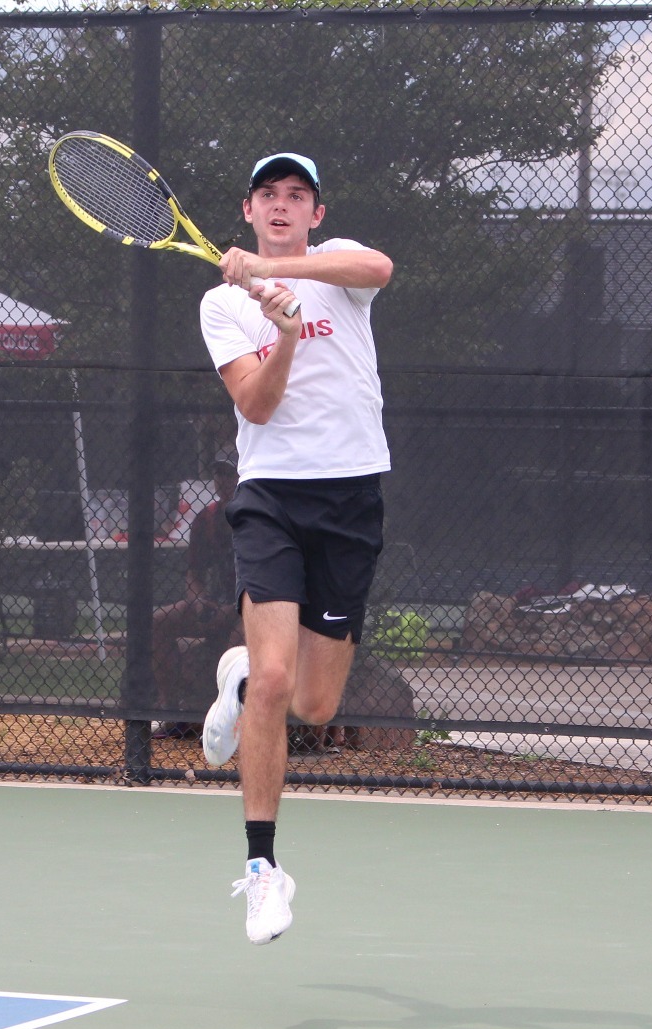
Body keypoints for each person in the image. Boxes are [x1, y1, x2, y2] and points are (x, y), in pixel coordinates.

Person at [195, 151, 395, 944]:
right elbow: (257, 405)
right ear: (247, 210)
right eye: (268, 196)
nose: (282, 206)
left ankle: (238, 682)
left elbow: (381, 265)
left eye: (296, 196)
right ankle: (262, 870)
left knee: (315, 704)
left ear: (315, 212)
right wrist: (278, 330)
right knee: (281, 677)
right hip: (272, 495)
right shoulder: (221, 306)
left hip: (352, 499)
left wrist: (286, 274)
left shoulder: (340, 268)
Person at [151, 454, 241, 734]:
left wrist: (234, 609)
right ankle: (169, 709)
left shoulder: (257, 517)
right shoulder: (207, 518)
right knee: (158, 621)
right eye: (220, 474)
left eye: (231, 473)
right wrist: (198, 600)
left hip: (248, 608)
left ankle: (228, 721)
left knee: (239, 644)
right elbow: (193, 573)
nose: (224, 480)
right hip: (215, 603)